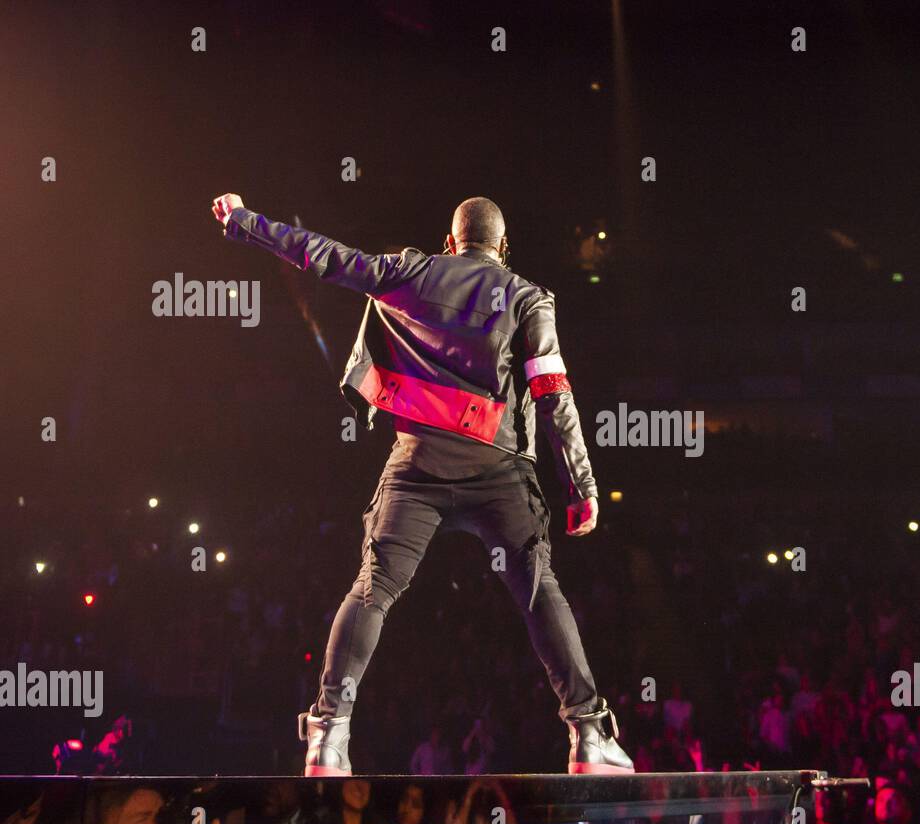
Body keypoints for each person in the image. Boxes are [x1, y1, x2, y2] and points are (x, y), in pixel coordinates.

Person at [211, 193, 632, 775]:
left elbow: (325, 257)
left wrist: (245, 222)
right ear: (502, 247)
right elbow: (554, 395)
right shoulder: (527, 298)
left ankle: (328, 735)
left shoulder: (408, 270)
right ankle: (588, 736)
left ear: (451, 240)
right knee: (538, 590)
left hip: (417, 465)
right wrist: (580, 485)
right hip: (499, 469)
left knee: (374, 587)